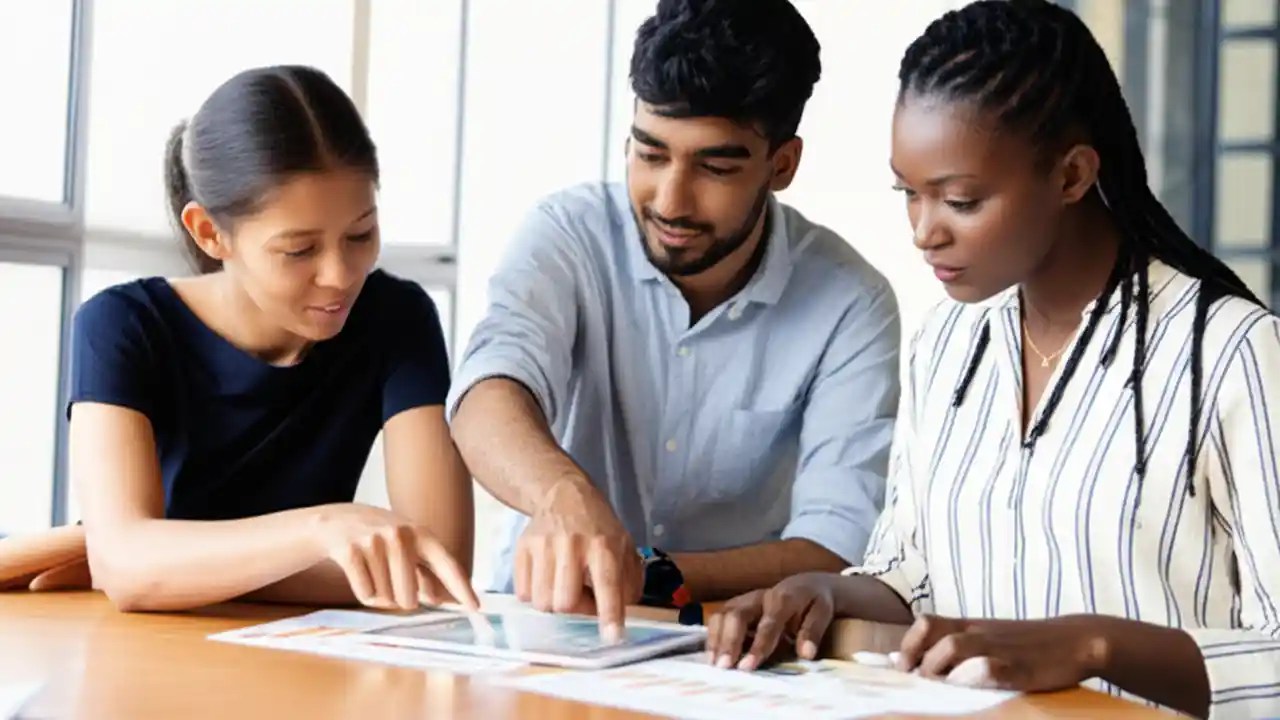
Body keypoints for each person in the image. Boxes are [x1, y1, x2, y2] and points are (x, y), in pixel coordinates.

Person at [704, 2, 1280, 718]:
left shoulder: (1229, 353)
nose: (923, 231)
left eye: (960, 200)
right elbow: (911, 576)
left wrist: (1092, 645)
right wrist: (822, 592)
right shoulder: (945, 347)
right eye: (908, 194)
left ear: (1072, 176)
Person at [448, 0, 899, 639]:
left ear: (782, 165)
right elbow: (486, 394)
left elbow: (834, 543)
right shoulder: (566, 236)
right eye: (650, 154)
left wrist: (644, 570)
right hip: (538, 622)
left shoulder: (850, 302)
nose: (670, 199)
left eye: (714, 168)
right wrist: (561, 496)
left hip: (727, 641)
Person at [0, 65, 478, 614]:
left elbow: (434, 568)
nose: (341, 274)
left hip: (294, 653)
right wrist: (321, 530)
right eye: (299, 250)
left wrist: (171, 567)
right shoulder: (122, 325)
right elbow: (128, 570)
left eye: (360, 233)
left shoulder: (397, 318)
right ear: (209, 232)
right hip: (134, 645)